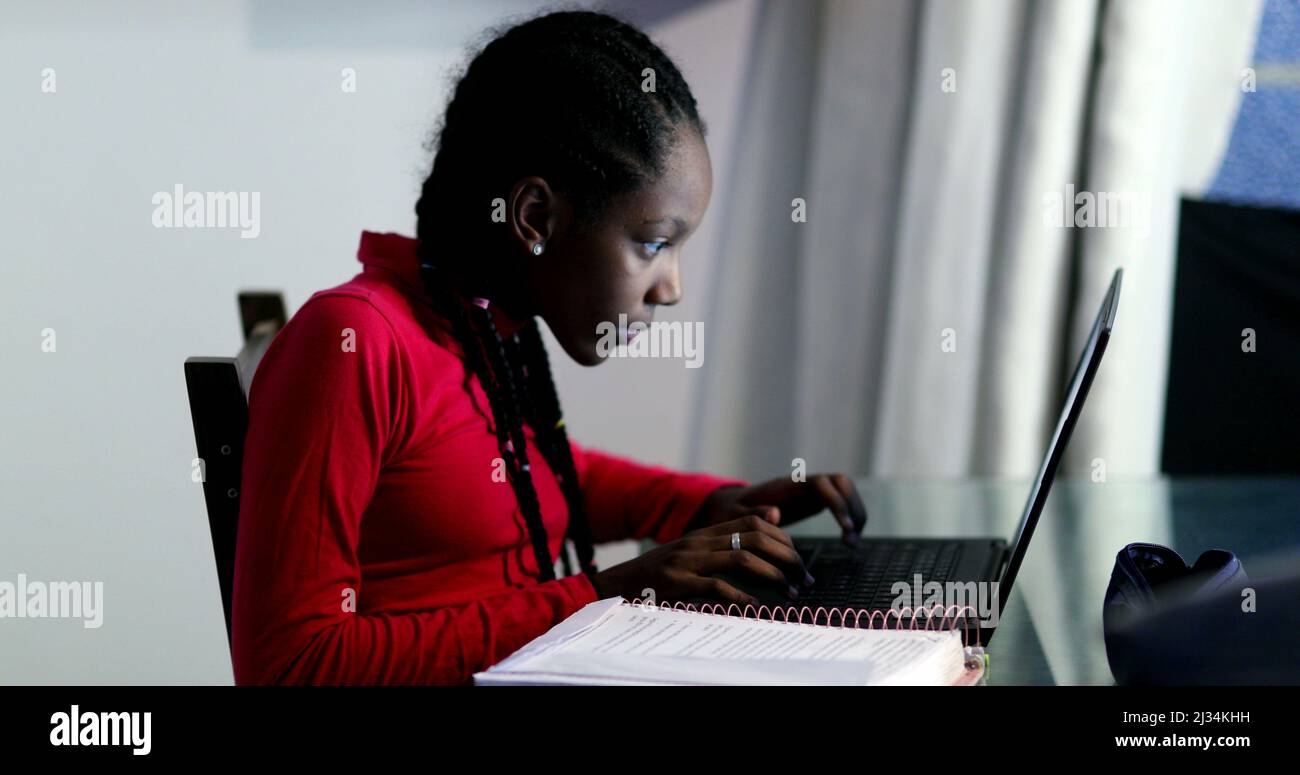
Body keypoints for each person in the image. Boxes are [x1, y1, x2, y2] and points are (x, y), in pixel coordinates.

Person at [231, 9, 867, 686]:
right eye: (654, 243)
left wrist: (708, 504)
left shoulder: (489, 329)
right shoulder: (353, 343)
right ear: (534, 218)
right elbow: (288, 666)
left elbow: (530, 475)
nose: (671, 289)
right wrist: (605, 594)